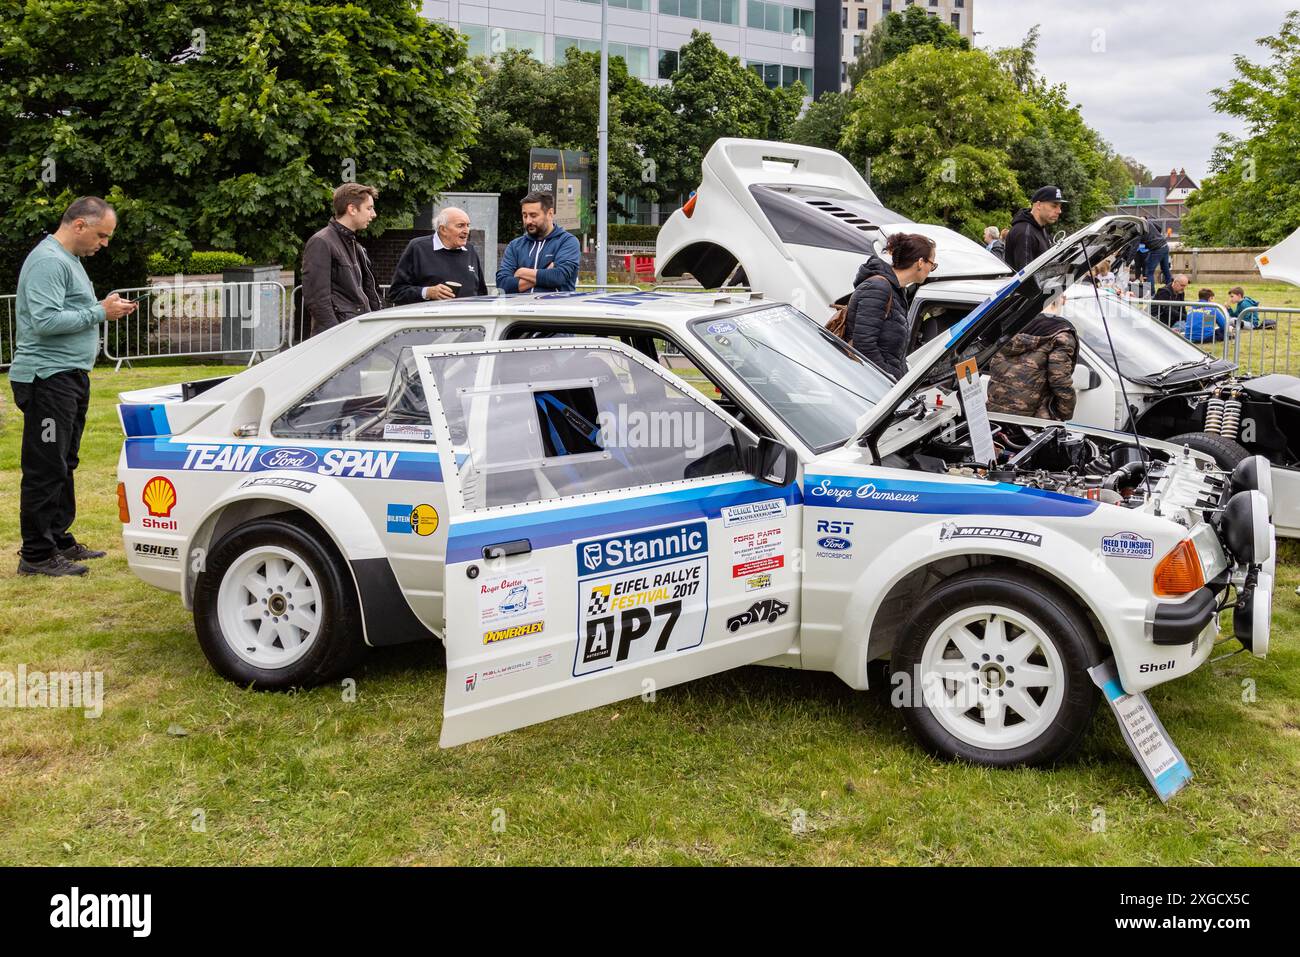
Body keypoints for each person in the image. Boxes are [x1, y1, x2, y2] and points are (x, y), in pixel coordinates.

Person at [10, 197, 137, 576]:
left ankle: (58, 539)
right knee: (45, 466)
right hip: (47, 378)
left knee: (64, 462)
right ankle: (36, 555)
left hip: (67, 377)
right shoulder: (49, 261)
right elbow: (45, 321)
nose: (104, 243)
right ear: (79, 225)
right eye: (102, 235)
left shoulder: (70, 261)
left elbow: (67, 311)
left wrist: (102, 306)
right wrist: (100, 312)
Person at [843, 232, 938, 381]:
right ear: (920, 262)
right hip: (870, 385)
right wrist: (891, 381)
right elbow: (864, 347)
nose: (932, 269)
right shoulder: (879, 288)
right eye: (932, 264)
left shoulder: (898, 291)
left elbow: (892, 354)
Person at [301, 183, 382, 337]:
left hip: (357, 332)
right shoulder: (322, 241)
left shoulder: (354, 245)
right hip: (340, 337)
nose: (373, 214)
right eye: (369, 208)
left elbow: (366, 292)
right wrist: (337, 335)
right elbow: (317, 300)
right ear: (352, 209)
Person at [987, 293, 1078, 420]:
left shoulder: (1009, 327)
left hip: (995, 415)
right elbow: (1059, 379)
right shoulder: (1061, 335)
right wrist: (1065, 413)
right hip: (1033, 422)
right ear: (1062, 300)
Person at [386, 207, 488, 304]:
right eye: (460, 225)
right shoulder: (418, 248)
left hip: (468, 321)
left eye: (468, 225)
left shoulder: (470, 250)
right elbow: (396, 293)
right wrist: (427, 292)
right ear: (443, 230)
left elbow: (481, 293)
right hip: (432, 321)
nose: (466, 231)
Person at [496, 191, 581, 294]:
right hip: (519, 309)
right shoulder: (515, 246)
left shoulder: (567, 241)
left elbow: (558, 277)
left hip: (553, 308)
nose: (528, 221)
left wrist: (522, 272)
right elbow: (502, 284)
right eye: (525, 215)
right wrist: (545, 274)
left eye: (533, 215)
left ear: (550, 214)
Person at [1004, 186, 1066, 271]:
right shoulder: (1024, 232)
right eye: (1054, 206)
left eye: (1060, 206)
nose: (1059, 211)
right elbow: (1025, 277)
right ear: (1039, 205)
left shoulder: (1040, 228)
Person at [1142, 219, 1173, 289]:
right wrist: (1157, 236)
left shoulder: (1138, 227)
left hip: (1156, 249)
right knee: (1165, 270)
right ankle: (1171, 289)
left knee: (1148, 272)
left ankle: (1151, 293)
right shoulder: (1148, 222)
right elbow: (1159, 228)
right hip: (1164, 245)